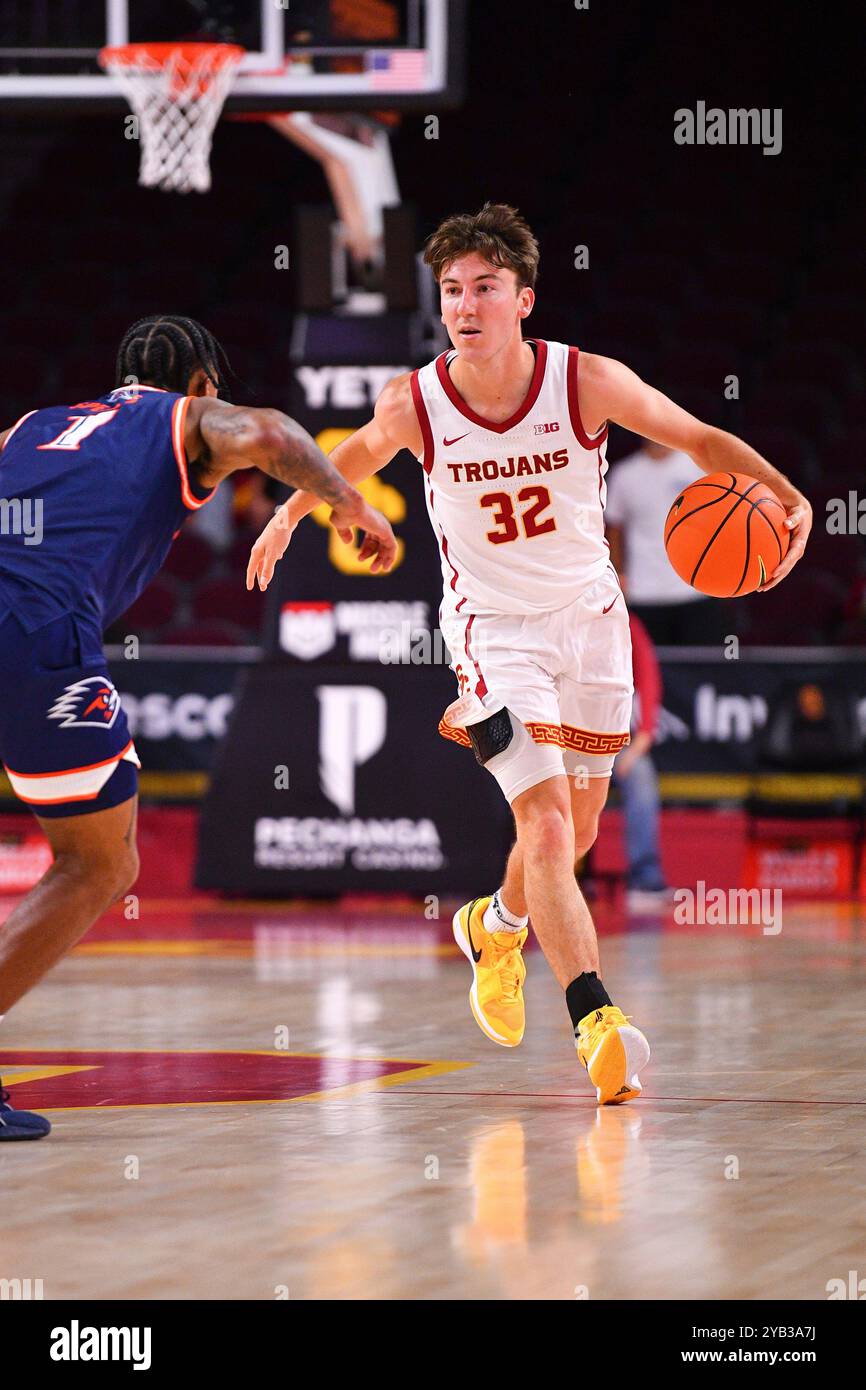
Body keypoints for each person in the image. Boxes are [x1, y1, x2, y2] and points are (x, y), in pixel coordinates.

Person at [247, 204, 812, 1105]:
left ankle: (495, 923)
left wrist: (788, 497)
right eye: (451, 292)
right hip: (492, 635)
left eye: (483, 289)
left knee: (579, 835)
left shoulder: (585, 383)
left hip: (591, 625)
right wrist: (285, 516)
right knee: (547, 828)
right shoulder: (418, 401)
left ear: (524, 300)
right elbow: (343, 460)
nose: (465, 306)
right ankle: (597, 1021)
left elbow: (702, 440)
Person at [0, 314, 397, 1141]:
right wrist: (348, 502)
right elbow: (271, 433)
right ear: (203, 384)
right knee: (97, 862)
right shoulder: (176, 420)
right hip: (35, 628)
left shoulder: (33, 427)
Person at [605, 438, 726, 644]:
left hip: (693, 591)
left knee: (698, 670)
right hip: (643, 592)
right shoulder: (625, 475)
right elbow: (614, 530)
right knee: (648, 672)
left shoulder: (698, 469)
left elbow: (720, 522)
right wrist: (618, 576)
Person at [614, 614, 671, 912]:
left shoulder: (628, 624)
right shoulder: (563, 614)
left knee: (641, 774)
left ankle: (645, 879)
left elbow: (648, 678)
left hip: (616, 742)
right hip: (568, 739)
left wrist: (644, 738)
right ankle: (553, 881)